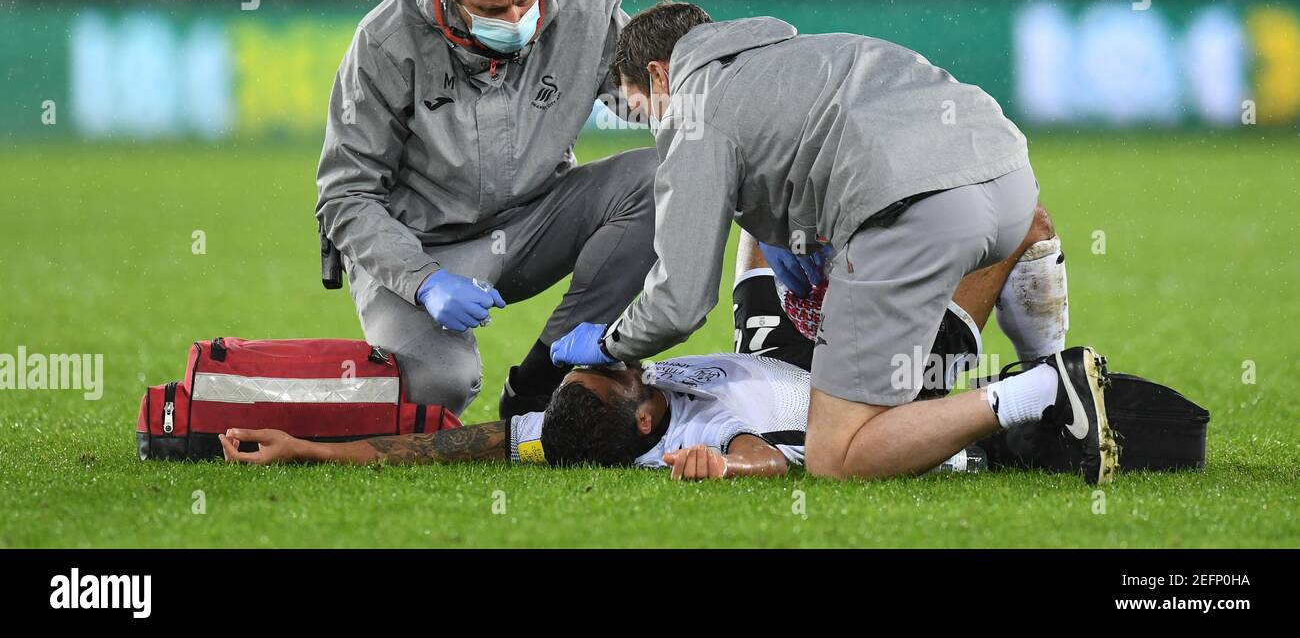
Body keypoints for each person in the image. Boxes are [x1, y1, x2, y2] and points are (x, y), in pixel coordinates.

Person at [550, 1, 1118, 483]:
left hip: (920, 213)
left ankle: (1047, 387)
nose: (653, 128)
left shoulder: (693, 113)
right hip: (1010, 179)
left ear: (658, 74)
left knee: (834, 455)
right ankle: (1046, 375)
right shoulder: (789, 54)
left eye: (641, 109)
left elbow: (681, 303)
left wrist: (609, 345)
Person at [220, 208, 1083, 481]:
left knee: (761, 207)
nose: (612, 364)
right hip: (874, 387)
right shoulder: (697, 441)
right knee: (1018, 222)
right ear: (643, 423)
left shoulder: (569, 430)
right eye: (616, 378)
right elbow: (774, 460)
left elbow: (455, 445)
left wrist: (305, 444)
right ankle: (1049, 369)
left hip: (775, 352)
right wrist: (726, 471)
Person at [315, 0, 659, 419]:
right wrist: (424, 281)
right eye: (495, 9)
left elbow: (666, 107)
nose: (519, 16)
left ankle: (541, 382)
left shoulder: (588, 15)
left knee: (661, 177)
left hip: (535, 225)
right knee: (437, 387)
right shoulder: (384, 44)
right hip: (425, 250)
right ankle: (430, 356)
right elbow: (344, 196)